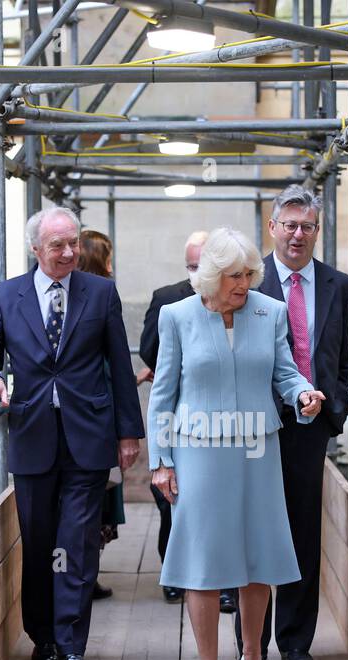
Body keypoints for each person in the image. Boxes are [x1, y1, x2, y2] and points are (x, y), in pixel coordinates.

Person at [148, 227, 325, 660]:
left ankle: (252, 657)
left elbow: (285, 373)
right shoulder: (176, 316)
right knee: (202, 562)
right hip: (197, 450)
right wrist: (159, 460)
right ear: (210, 276)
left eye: (249, 274)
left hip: (257, 447)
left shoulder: (269, 313)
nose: (244, 284)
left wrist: (303, 396)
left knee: (256, 555)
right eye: (234, 276)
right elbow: (162, 393)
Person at [0, 206, 144, 660]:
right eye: (57, 246)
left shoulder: (101, 293)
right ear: (35, 250)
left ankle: (70, 645)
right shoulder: (6, 297)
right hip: (33, 436)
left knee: (78, 543)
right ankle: (42, 635)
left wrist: (129, 433)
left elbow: (119, 366)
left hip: (88, 438)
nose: (69, 253)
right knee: (41, 540)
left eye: (73, 243)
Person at [234, 185, 348, 660]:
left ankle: (295, 639)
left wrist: (336, 410)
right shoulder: (247, 283)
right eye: (289, 225)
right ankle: (251, 642)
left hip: (310, 426)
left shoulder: (339, 286)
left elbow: (343, 357)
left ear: (317, 230)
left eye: (307, 226)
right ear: (272, 228)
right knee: (255, 530)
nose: (298, 235)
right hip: (258, 427)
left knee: (302, 530)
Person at [139, 231, 237, 613]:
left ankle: (224, 582)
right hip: (183, 417)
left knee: (222, 507)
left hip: (228, 424)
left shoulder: (236, 300)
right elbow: (151, 348)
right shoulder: (168, 299)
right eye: (192, 266)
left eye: (204, 265)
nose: (198, 274)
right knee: (174, 504)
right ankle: (176, 574)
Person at [78, 227, 124, 601]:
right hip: (98, 420)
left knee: (91, 502)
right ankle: (84, 575)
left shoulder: (96, 296)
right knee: (95, 501)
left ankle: (83, 576)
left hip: (97, 418)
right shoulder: (101, 297)